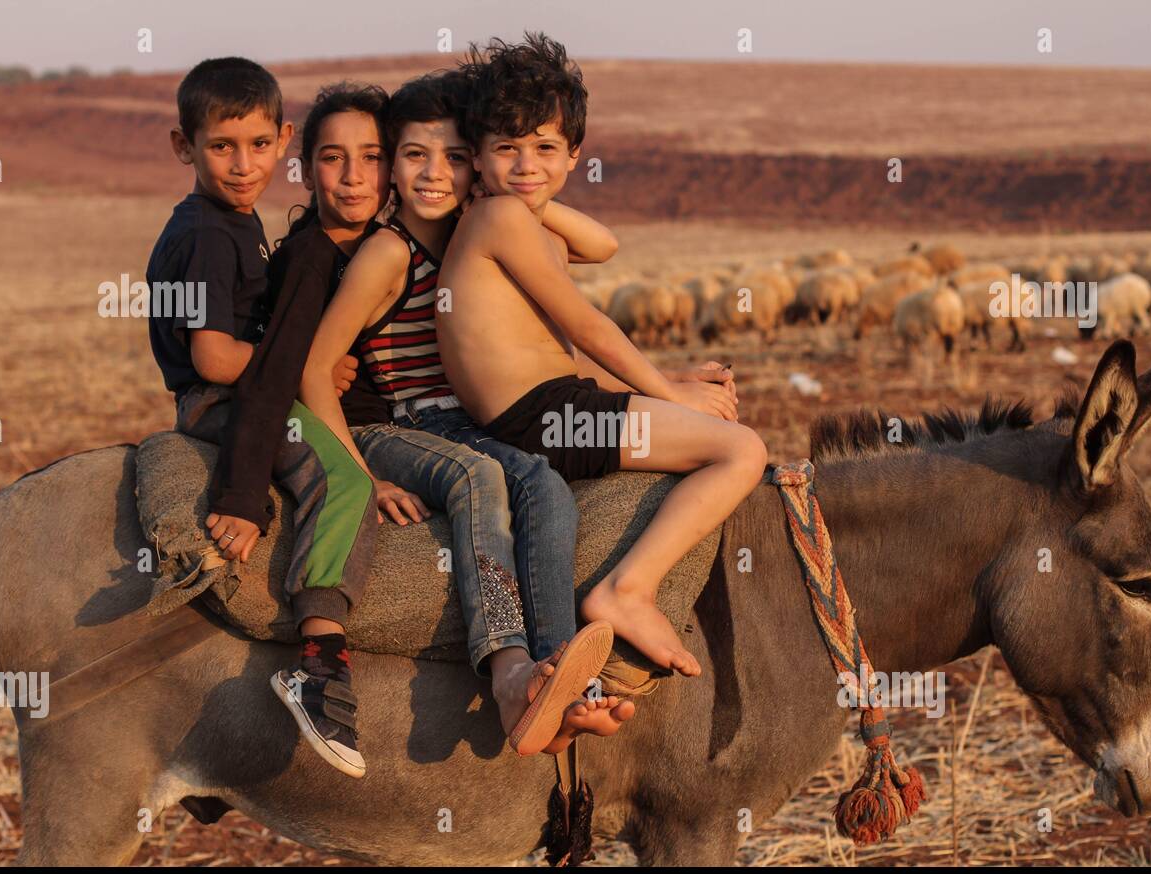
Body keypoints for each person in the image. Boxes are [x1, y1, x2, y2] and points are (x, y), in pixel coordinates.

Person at [296, 71, 625, 757]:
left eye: (452, 156)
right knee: (480, 480)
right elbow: (314, 369)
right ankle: (508, 669)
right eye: (414, 155)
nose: (433, 173)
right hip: (397, 428)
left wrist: (516, 195)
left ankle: (562, 670)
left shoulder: (474, 235)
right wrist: (362, 475)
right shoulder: (390, 252)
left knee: (544, 482)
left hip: (461, 419)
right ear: (392, 164)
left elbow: (600, 246)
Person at [438, 34, 767, 679]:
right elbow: (586, 326)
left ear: (574, 155)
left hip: (555, 405)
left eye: (545, 149)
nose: (526, 164)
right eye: (506, 149)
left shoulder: (516, 216)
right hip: (545, 418)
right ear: (475, 156)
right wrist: (671, 396)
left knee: (712, 421)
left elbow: (604, 244)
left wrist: (671, 381)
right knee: (742, 450)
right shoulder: (501, 217)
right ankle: (627, 589)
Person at [146, 62, 374, 778]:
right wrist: (295, 366)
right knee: (346, 487)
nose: (243, 165)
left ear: (282, 141)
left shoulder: (232, 220)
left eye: (255, 144)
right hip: (220, 401)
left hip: (237, 389)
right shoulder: (211, 236)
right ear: (184, 146)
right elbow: (214, 357)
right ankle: (319, 662)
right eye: (221, 147)